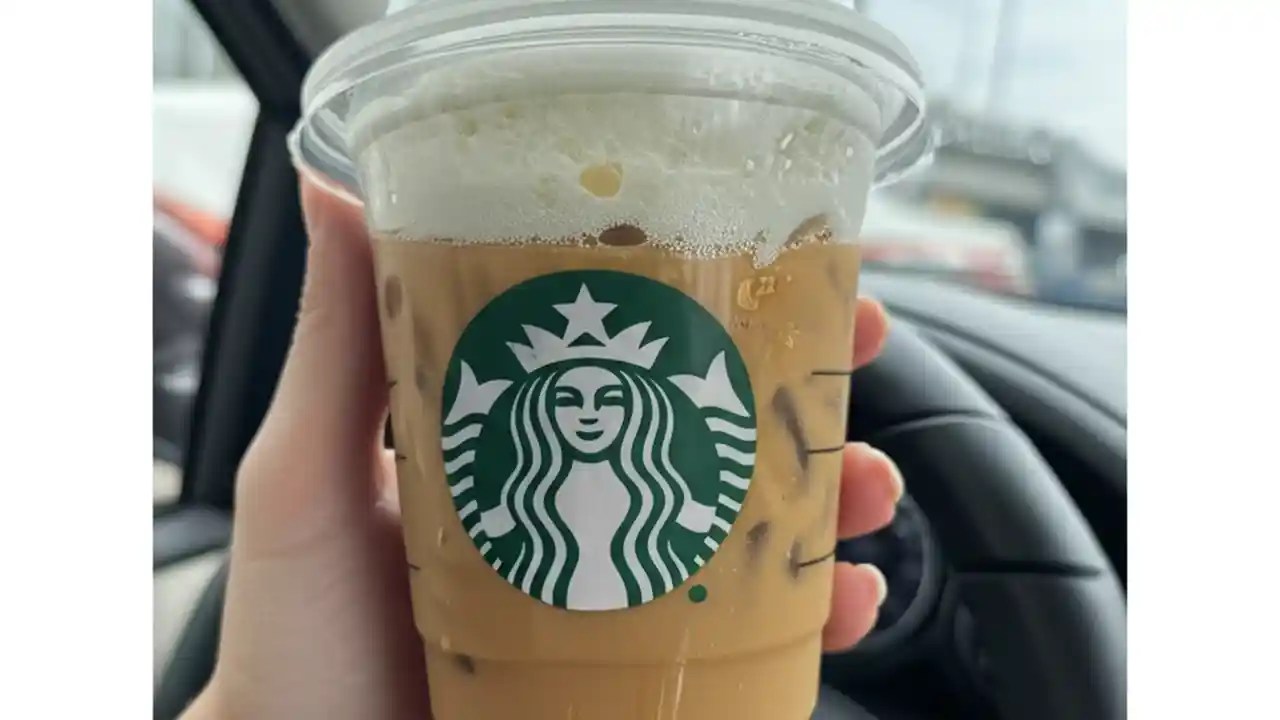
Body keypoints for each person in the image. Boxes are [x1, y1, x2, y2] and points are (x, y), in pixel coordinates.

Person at [180, 180, 908, 719]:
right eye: (567, 397)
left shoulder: (667, 509)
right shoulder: (512, 519)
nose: (588, 414)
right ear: (534, 410)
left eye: (611, 397)